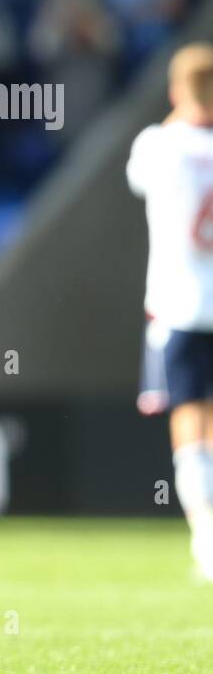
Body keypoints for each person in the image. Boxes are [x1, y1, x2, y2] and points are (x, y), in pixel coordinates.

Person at [126, 44, 213, 580]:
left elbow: (137, 179)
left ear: (177, 90)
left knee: (188, 426)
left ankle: (204, 533)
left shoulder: (159, 144)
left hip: (178, 307)